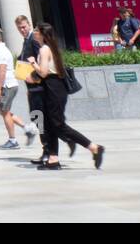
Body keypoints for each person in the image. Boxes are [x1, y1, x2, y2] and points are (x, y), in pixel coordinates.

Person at [32, 24, 104, 171]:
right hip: (53, 87)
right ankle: (53, 159)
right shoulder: (51, 48)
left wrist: (33, 64)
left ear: (42, 34)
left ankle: (93, 147)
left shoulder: (44, 49)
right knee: (49, 124)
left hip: (53, 88)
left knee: (58, 125)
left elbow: (44, 72)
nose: (34, 33)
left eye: (36, 31)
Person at [0, 27, 35, 149]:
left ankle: (13, 141)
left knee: (5, 112)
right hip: (7, 85)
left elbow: (2, 71)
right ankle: (27, 128)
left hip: (7, 85)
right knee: (3, 111)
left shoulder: (1, 51)